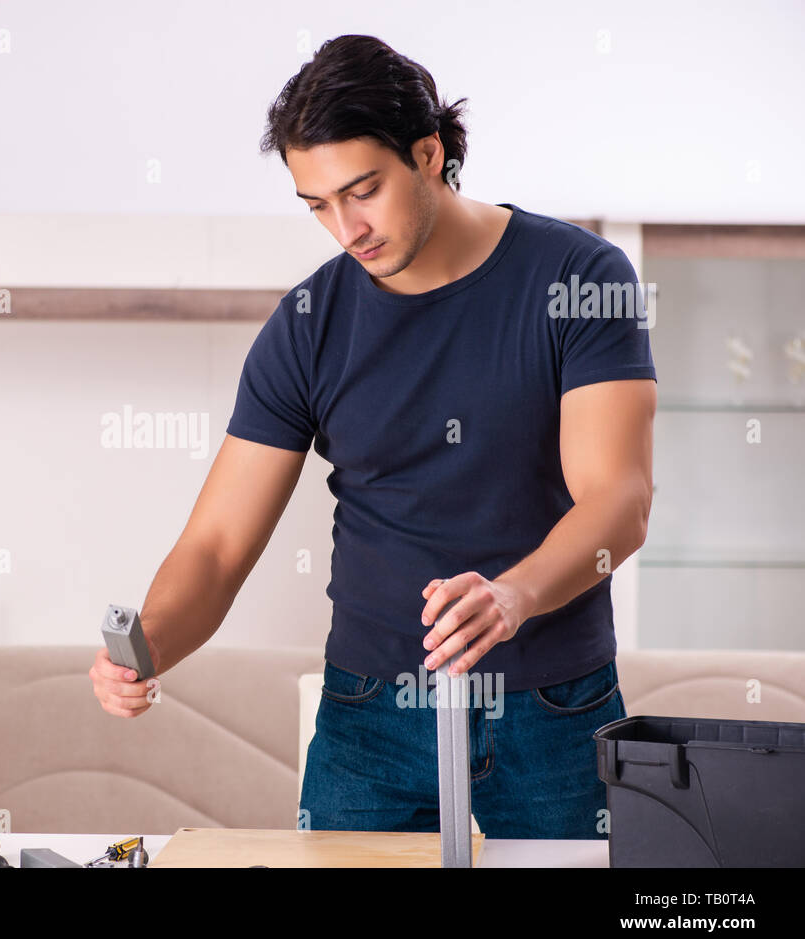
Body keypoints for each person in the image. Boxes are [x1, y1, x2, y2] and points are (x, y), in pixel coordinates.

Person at [89, 34, 656, 839]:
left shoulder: (582, 278)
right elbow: (216, 546)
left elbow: (620, 500)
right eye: (317, 204)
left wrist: (511, 596)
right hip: (370, 718)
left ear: (429, 153)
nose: (346, 227)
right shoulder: (309, 324)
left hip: (554, 704)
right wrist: (144, 647)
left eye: (363, 191)